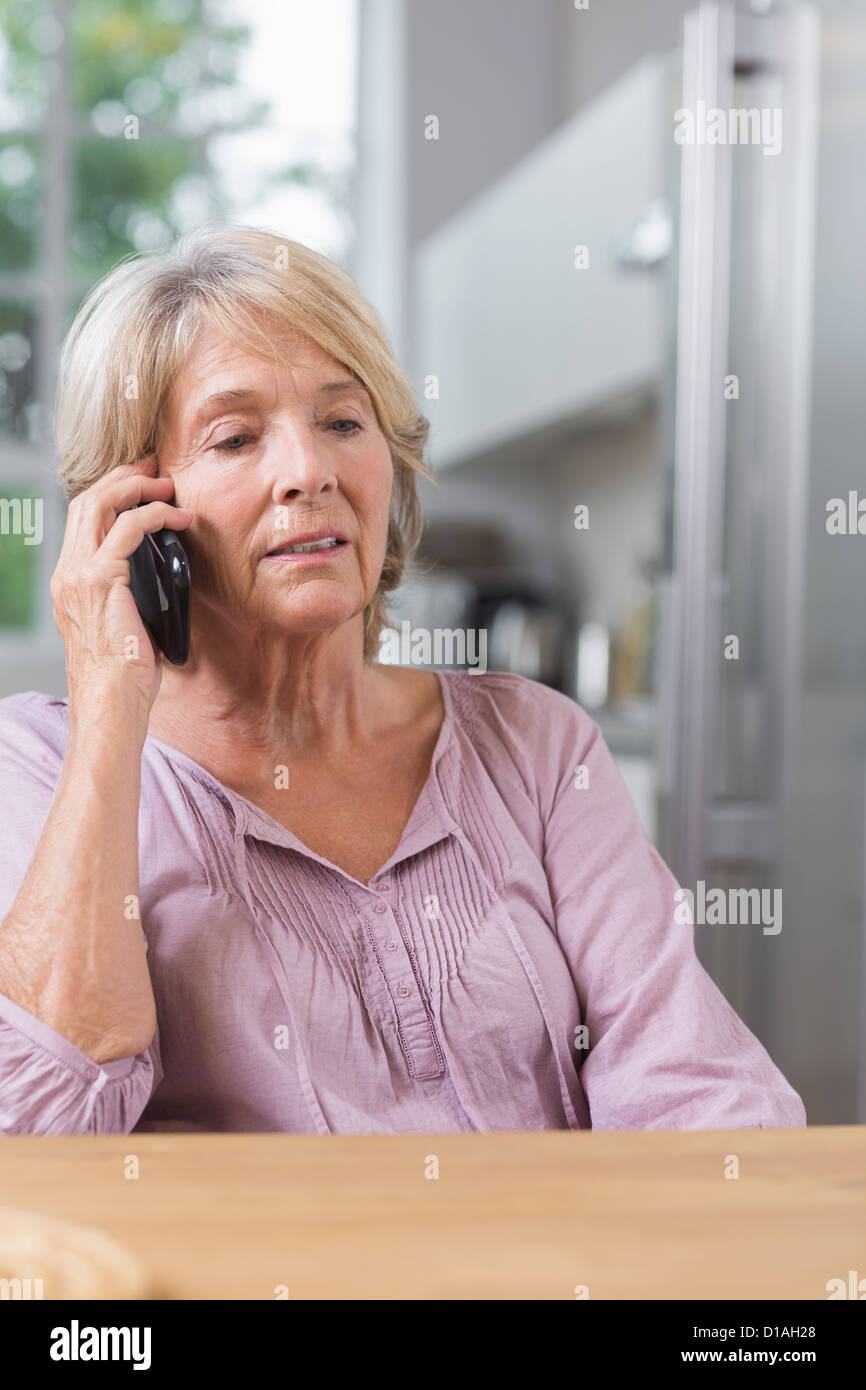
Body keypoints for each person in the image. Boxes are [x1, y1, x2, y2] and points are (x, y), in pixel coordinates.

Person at [0, 224, 806, 1135]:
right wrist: (110, 698)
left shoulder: (535, 746)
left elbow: (696, 1091)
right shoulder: (38, 765)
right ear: (134, 511)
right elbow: (36, 1137)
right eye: (234, 439)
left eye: (345, 422)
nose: (310, 472)